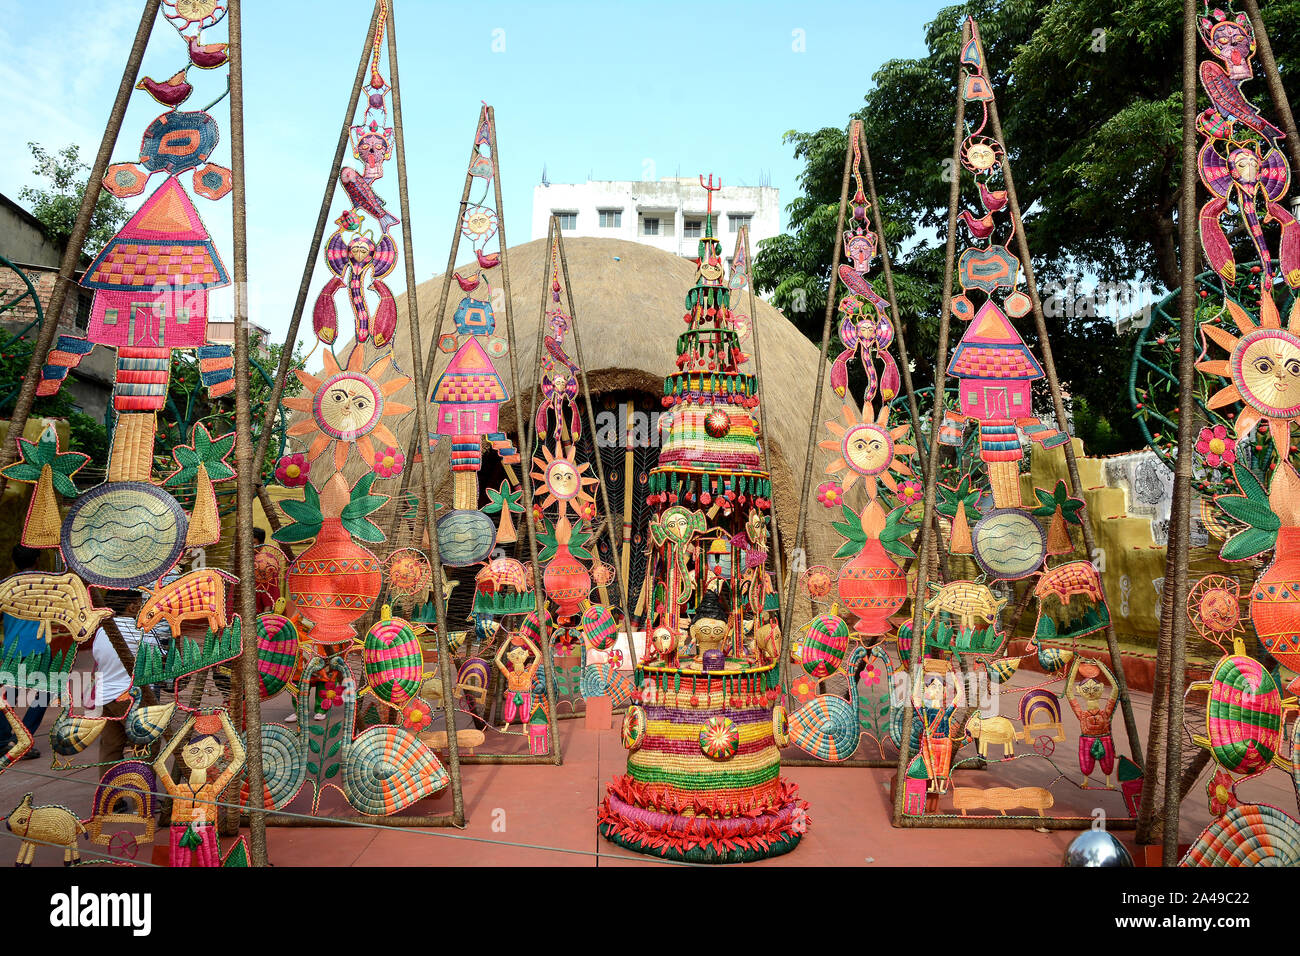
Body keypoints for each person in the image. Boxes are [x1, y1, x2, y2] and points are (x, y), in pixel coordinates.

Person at [153, 711, 245, 867]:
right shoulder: (179, 790)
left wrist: (225, 721)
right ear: (184, 753)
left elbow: (240, 758)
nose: (201, 756)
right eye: (194, 750)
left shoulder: (210, 790)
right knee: (179, 862)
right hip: (180, 830)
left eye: (209, 750)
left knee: (210, 862)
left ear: (220, 752)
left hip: (205, 829)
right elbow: (158, 763)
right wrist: (187, 726)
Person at [0, 545, 49, 760]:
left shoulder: (5, 586)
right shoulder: (46, 585)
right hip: (38, 649)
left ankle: (5, 739)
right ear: (37, 559)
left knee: (10, 695)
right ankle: (22, 739)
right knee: (45, 694)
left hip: (12, 648)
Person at [1066, 657, 1119, 788]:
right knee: (1086, 761)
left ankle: (1107, 781)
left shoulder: (1104, 713)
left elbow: (1116, 689)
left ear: (1101, 688)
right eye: (1086, 690)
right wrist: (1076, 665)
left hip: (1104, 738)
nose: (1090, 692)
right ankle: (1086, 780)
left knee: (1107, 762)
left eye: (1094, 689)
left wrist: (1101, 666)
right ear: (1079, 691)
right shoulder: (1083, 715)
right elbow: (1068, 692)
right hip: (1088, 740)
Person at [494, 632, 541, 733]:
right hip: (512, 693)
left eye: (520, 655)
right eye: (514, 656)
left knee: (525, 710)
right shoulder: (510, 674)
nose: (517, 658)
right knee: (509, 710)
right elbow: (497, 659)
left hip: (524, 694)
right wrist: (507, 640)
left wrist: (526, 638)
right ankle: (507, 726)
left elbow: (538, 655)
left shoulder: (528, 673)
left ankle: (524, 727)